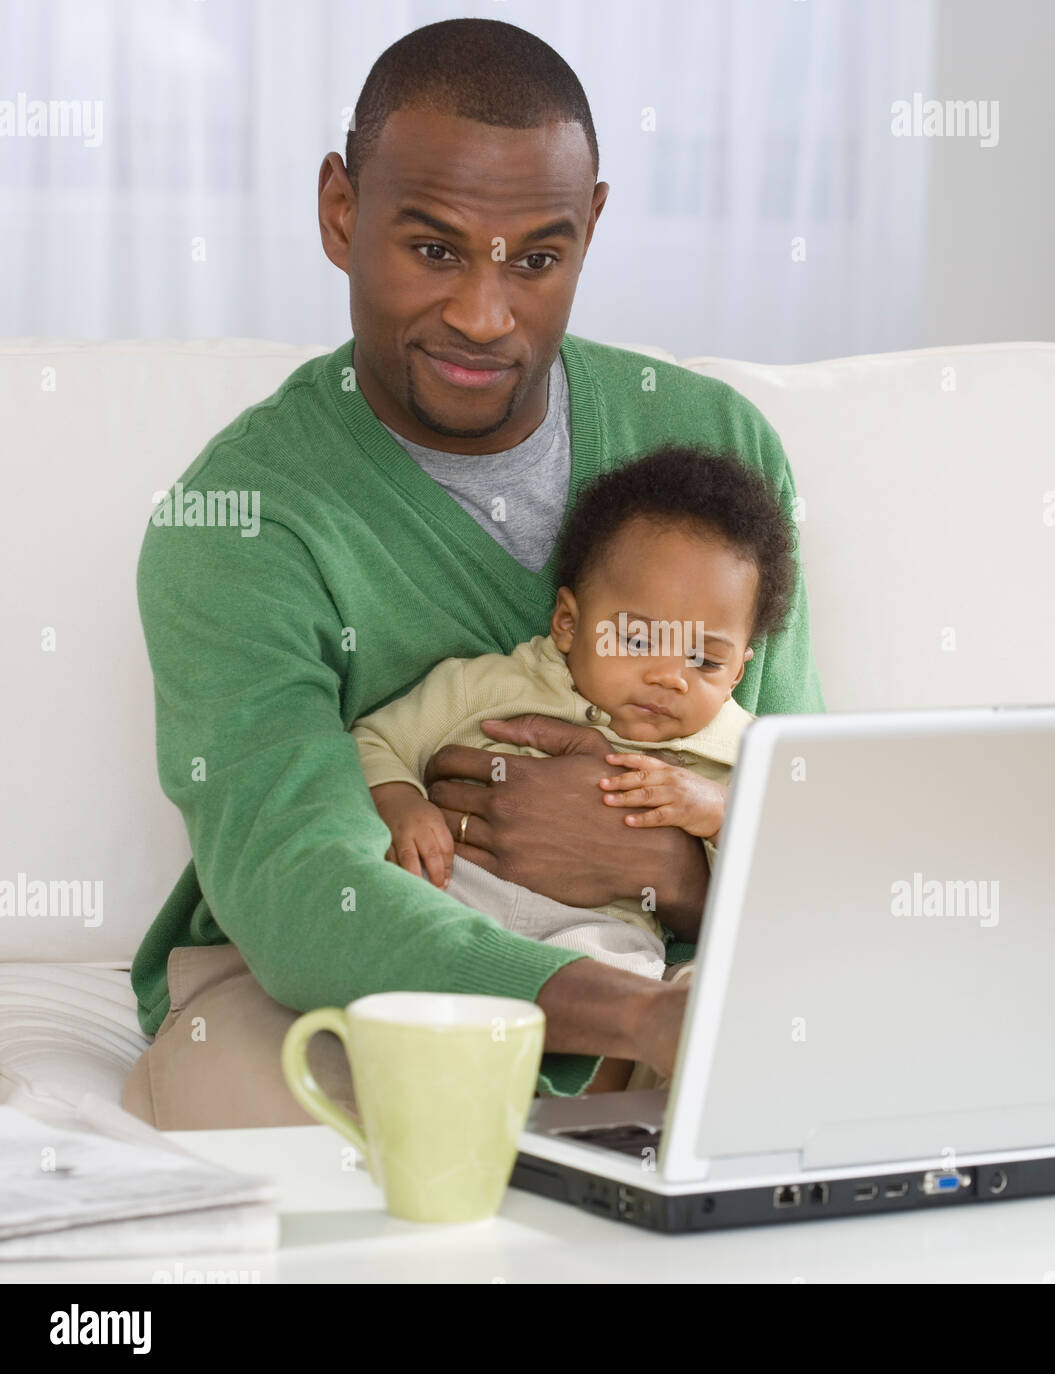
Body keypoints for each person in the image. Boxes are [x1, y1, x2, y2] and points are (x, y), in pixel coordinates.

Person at [123, 18, 822, 1129]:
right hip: (340, 979)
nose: (482, 315)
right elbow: (305, 888)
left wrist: (654, 873)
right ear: (341, 214)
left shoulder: (712, 455)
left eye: (536, 259)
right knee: (297, 1132)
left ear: (591, 228)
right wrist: (636, 1019)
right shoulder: (238, 523)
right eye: (434, 249)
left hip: (662, 954)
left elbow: (813, 826)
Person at [353, 446, 798, 1089]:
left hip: (599, 933)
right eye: (638, 640)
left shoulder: (746, 754)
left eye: (704, 660)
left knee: (642, 998)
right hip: (460, 889)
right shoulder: (488, 688)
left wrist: (717, 813)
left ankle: (572, 1127)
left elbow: (787, 878)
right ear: (568, 622)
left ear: (739, 670)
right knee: (404, 927)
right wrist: (400, 802)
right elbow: (375, 741)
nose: (668, 676)